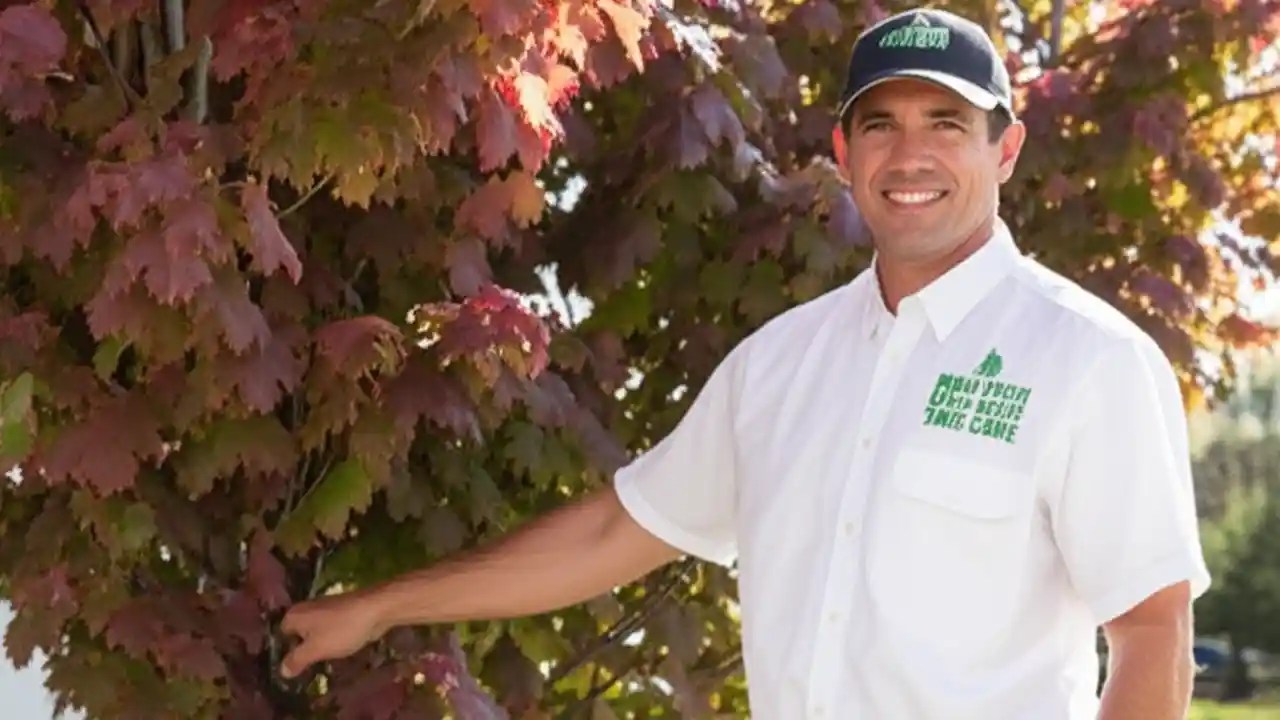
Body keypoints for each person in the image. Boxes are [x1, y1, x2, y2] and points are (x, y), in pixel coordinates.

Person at [279, 8, 1211, 719]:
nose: (911, 153)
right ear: (843, 152)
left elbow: (1152, 627)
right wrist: (380, 608)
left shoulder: (1089, 360)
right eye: (881, 124)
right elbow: (615, 533)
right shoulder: (779, 364)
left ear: (1004, 148)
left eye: (947, 122)